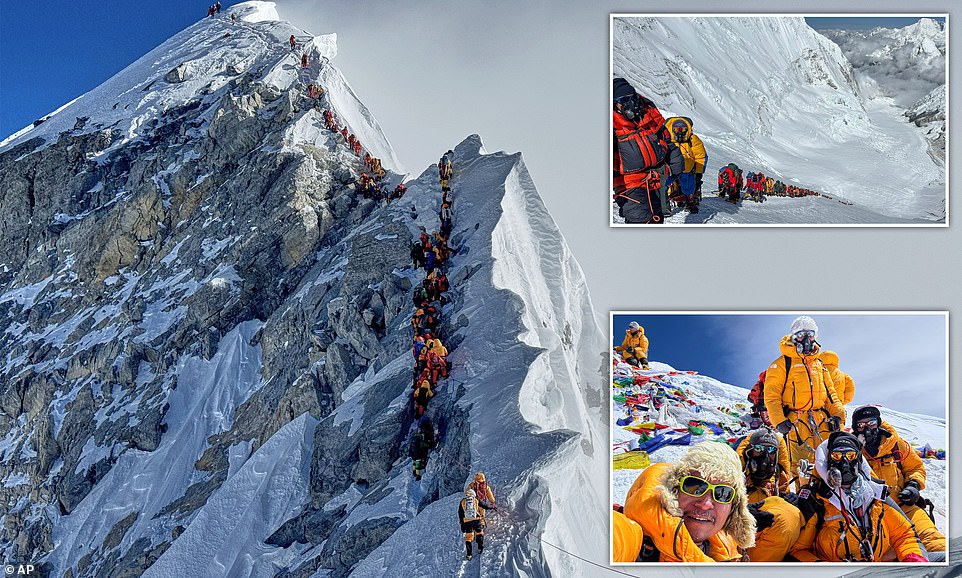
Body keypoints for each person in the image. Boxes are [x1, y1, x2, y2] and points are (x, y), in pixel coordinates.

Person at [789, 432, 928, 562]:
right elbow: (798, 550)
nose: (844, 463)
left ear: (859, 461)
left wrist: (913, 560)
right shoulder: (816, 500)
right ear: (828, 462)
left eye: (850, 456)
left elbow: (905, 534)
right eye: (836, 456)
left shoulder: (876, 494)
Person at [622, 442, 756, 561]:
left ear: (733, 509)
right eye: (695, 487)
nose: (705, 505)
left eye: (722, 493)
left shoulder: (726, 551)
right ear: (673, 490)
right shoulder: (629, 539)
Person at [851, 406, 945, 554]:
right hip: (871, 515)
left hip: (904, 507)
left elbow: (915, 467)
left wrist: (913, 485)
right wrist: (855, 449)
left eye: (872, 423)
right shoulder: (849, 448)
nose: (867, 429)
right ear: (856, 428)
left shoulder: (895, 445)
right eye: (861, 425)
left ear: (879, 423)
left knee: (932, 540)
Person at [763, 316, 844, 476]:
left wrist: (838, 417)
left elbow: (831, 395)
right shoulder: (781, 364)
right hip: (796, 423)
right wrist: (779, 421)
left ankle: (828, 499)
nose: (807, 339)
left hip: (822, 422)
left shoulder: (819, 365)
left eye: (811, 334)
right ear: (793, 337)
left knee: (830, 462)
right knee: (802, 469)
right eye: (801, 335)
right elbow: (772, 396)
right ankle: (804, 497)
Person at [736, 428, 804, 561]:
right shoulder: (737, 479)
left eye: (771, 450)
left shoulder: (779, 480)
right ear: (749, 451)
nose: (765, 454)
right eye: (759, 448)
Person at [612, 77, 670, 224]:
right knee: (641, 220)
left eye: (632, 98)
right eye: (623, 99)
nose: (629, 103)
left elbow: (663, 137)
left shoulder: (646, 116)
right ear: (614, 104)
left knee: (657, 217)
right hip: (629, 185)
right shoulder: (612, 125)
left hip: (655, 179)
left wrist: (665, 154)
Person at [663, 116, 707, 214]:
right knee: (663, 184)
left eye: (682, 129)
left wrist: (699, 173)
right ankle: (664, 206)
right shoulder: (666, 138)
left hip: (687, 169)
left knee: (688, 186)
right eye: (677, 129)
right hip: (671, 170)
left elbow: (700, 156)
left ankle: (690, 202)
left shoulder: (692, 139)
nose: (680, 132)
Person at [819, 350, 855, 421]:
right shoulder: (844, 376)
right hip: (837, 411)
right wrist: (839, 402)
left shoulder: (816, 373)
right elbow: (849, 396)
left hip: (819, 411)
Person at [459, 488, 491, 560]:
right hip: (477, 520)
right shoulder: (476, 499)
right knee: (479, 533)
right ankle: (480, 548)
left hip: (467, 522)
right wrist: (491, 507)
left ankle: (469, 555)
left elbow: (460, 514)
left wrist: (462, 524)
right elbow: (484, 505)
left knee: (469, 537)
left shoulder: (462, 502)